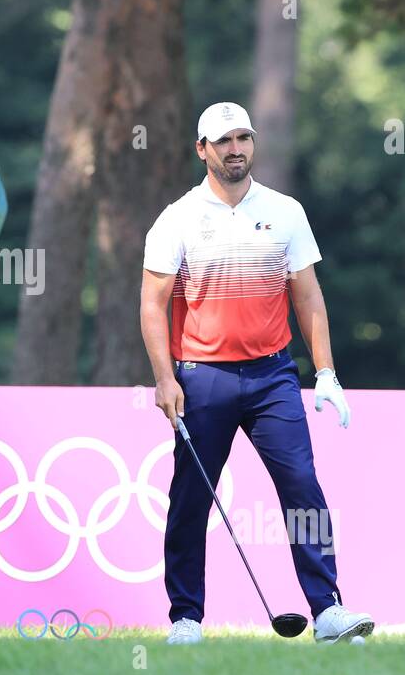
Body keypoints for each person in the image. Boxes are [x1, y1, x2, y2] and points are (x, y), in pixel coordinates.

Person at [140, 101, 373, 645]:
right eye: (223, 141)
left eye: (243, 138)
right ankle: (186, 618)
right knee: (191, 499)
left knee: (302, 490)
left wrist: (327, 373)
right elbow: (152, 305)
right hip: (202, 377)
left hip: (273, 377)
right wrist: (164, 379)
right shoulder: (176, 218)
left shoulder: (286, 211)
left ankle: (329, 611)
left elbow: (308, 294)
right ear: (202, 150)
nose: (235, 149)